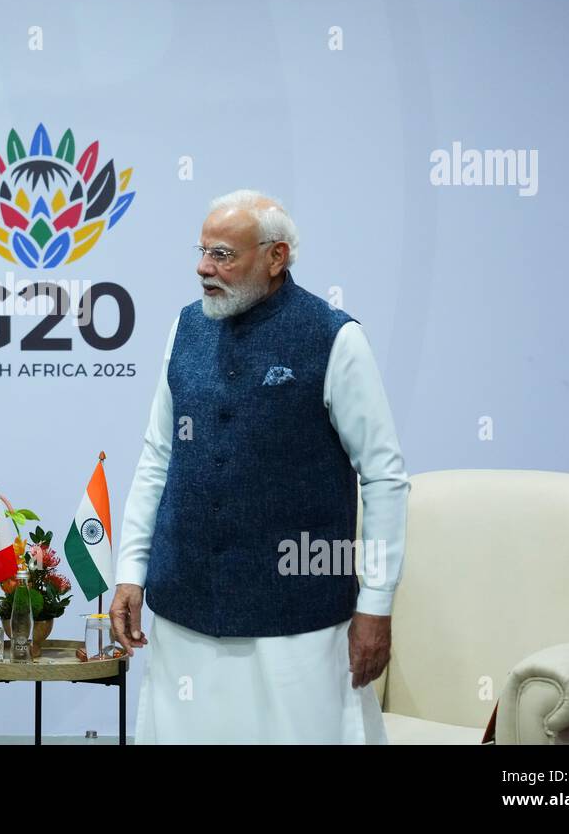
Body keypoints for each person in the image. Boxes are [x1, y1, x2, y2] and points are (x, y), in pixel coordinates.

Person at [110, 189, 408, 743]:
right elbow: (158, 454)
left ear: (276, 257)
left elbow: (385, 476)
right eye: (202, 251)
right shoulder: (184, 328)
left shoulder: (334, 337)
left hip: (300, 614)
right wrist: (131, 569)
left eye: (223, 254)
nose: (204, 267)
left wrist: (376, 604)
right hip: (186, 608)